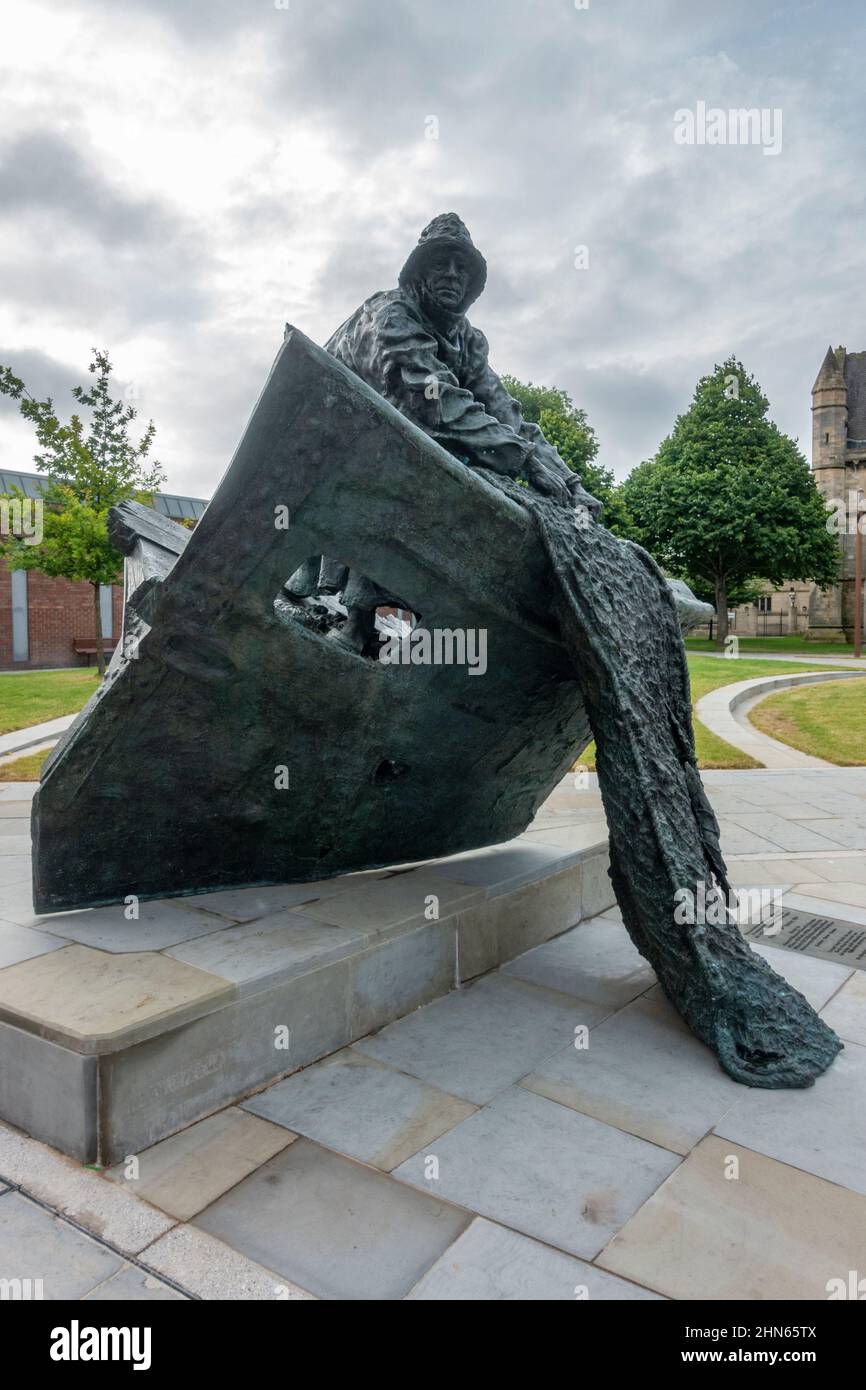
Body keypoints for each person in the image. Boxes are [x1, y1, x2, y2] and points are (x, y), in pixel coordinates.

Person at [286, 212, 600, 652]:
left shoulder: (467, 339)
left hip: (376, 452)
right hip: (316, 456)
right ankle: (358, 623)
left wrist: (569, 482)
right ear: (418, 271)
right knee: (411, 466)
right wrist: (524, 462)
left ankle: (401, 622)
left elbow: (505, 411)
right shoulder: (390, 314)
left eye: (463, 268)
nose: (453, 275)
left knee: (452, 472)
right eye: (441, 264)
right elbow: (435, 402)